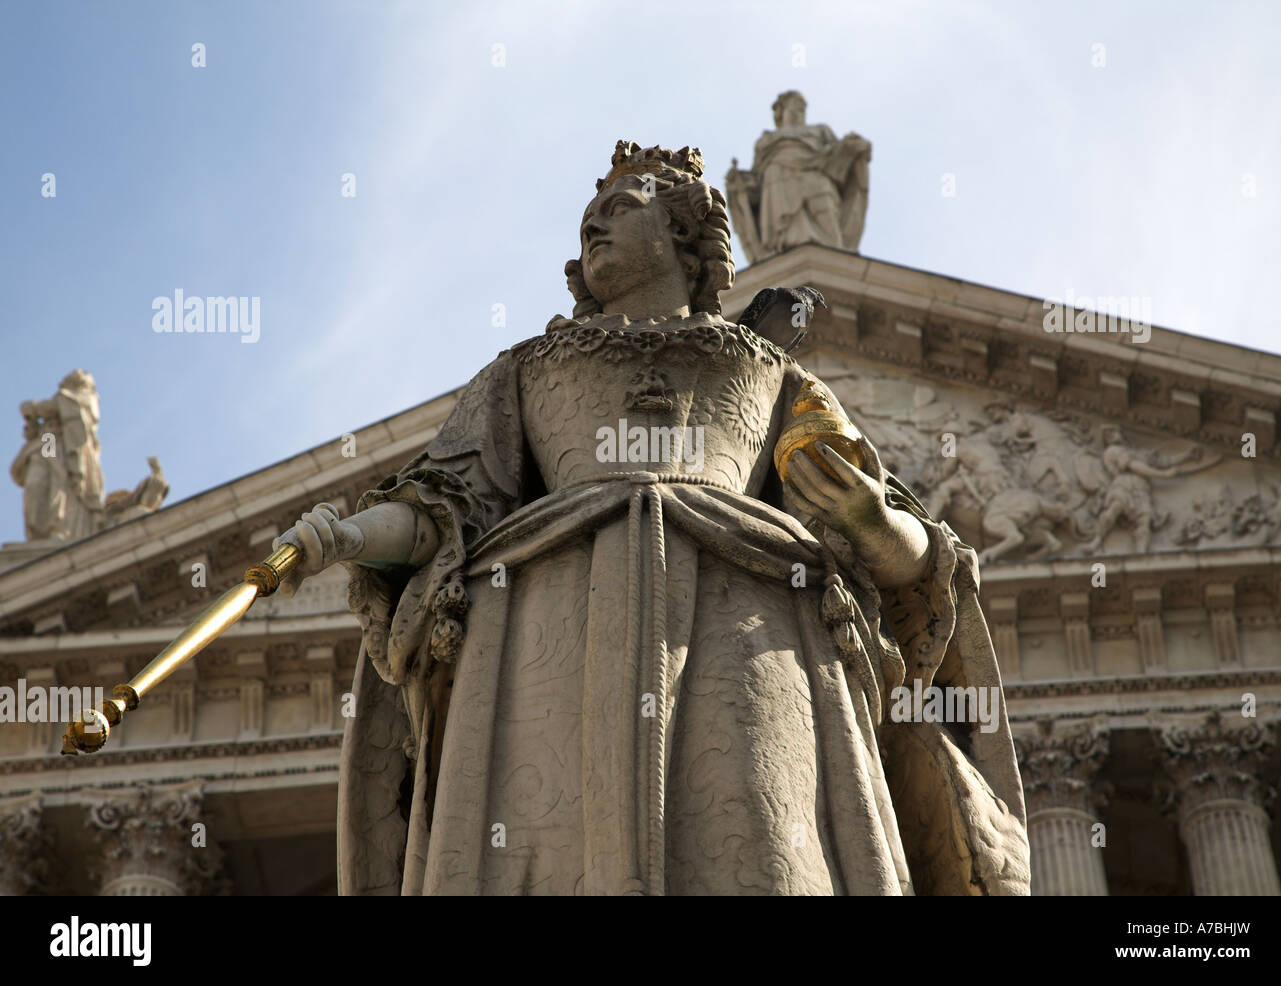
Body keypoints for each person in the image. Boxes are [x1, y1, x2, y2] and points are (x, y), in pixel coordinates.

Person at [276, 141, 1029, 896]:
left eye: (618, 210)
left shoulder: (771, 373)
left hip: (748, 635)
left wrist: (871, 521)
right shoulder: (525, 369)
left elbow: (903, 549)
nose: (592, 231)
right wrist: (349, 536)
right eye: (584, 223)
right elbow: (444, 507)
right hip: (548, 632)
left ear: (682, 233)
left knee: (759, 843)